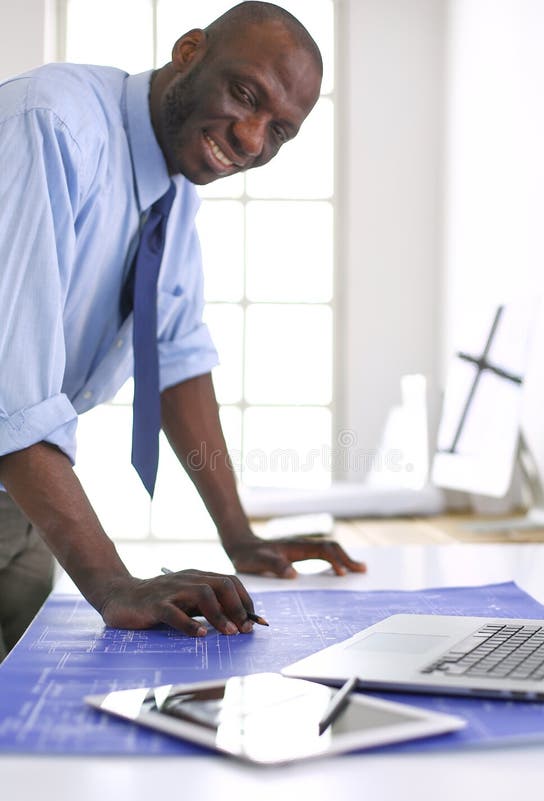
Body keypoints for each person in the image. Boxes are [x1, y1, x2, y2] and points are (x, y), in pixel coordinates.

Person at [0, 1, 365, 657]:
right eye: (247, 94)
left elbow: (175, 357)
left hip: (22, 500)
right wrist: (113, 582)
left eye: (280, 131)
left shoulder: (172, 191)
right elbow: (9, 393)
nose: (254, 140)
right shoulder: (52, 125)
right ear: (190, 50)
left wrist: (239, 535)